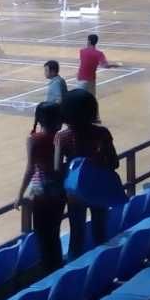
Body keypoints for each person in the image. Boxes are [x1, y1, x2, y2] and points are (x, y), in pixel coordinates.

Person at [54, 89, 118, 259]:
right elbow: (114, 163)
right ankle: (103, 265)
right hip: (98, 187)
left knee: (77, 234)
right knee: (100, 231)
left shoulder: (62, 137)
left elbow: (57, 170)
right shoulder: (102, 133)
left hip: (76, 194)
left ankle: (75, 269)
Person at [15, 102, 65, 271]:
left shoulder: (34, 139)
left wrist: (20, 195)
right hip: (60, 191)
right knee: (54, 232)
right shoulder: (62, 137)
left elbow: (30, 169)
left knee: (43, 236)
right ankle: (57, 266)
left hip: (41, 194)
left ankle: (48, 271)